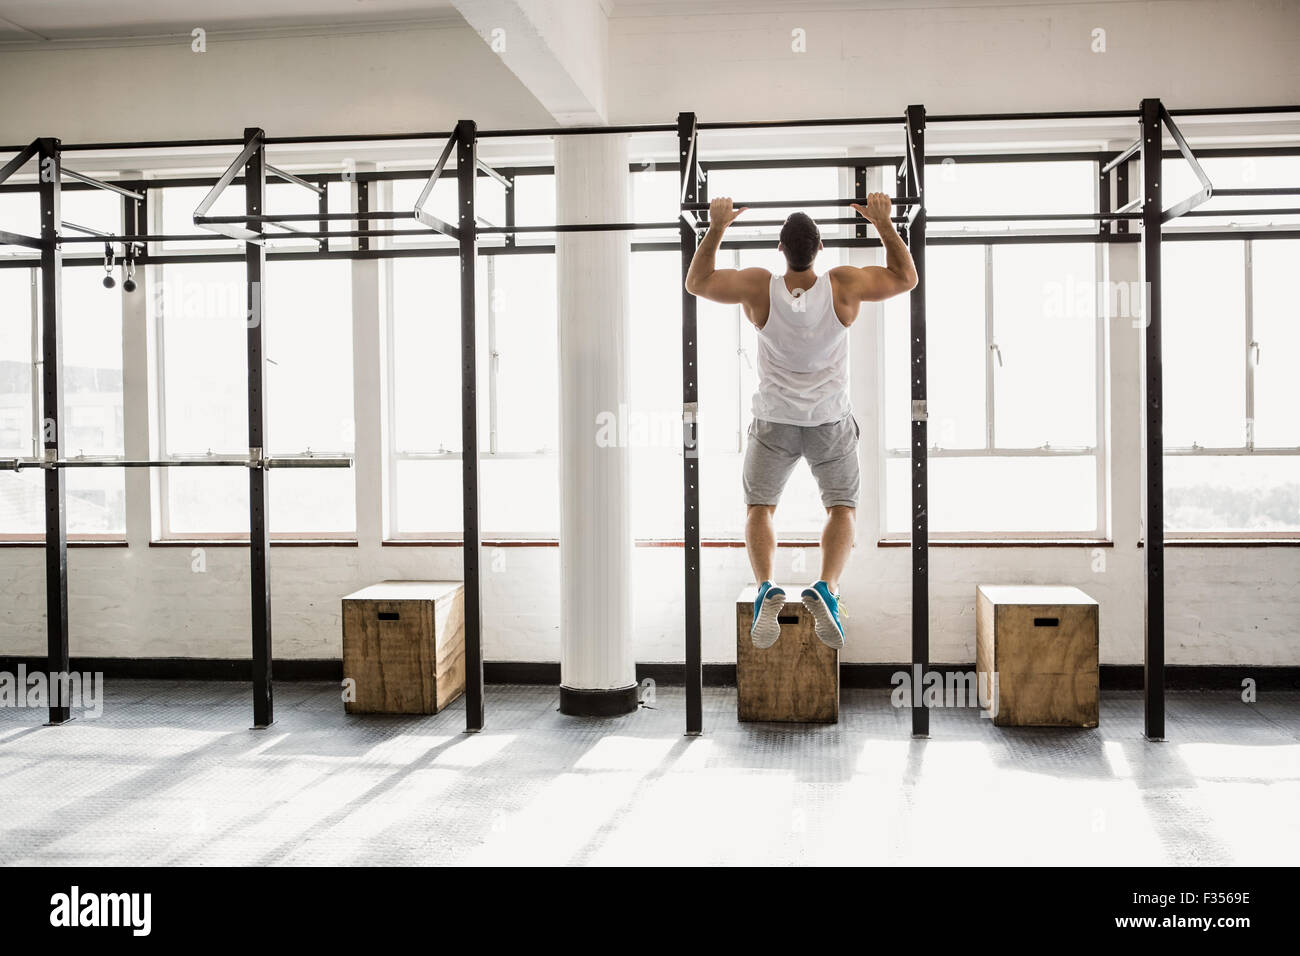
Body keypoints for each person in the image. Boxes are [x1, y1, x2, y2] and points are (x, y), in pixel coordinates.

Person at [684, 193, 917, 650]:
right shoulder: (843, 283)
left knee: (760, 508)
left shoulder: (757, 286)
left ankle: (766, 585)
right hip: (829, 419)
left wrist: (716, 226)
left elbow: (697, 282)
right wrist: (884, 223)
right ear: (821, 248)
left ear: (779, 248)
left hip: (774, 420)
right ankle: (826, 587)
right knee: (841, 507)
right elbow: (905, 277)